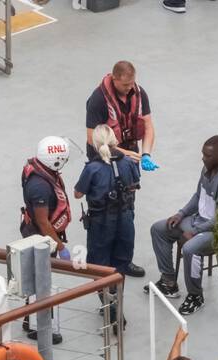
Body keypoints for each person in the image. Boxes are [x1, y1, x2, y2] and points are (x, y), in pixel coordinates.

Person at [147, 136, 218, 314]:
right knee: (158, 229)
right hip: (197, 220)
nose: (203, 158)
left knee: (190, 249)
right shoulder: (207, 168)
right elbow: (198, 197)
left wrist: (195, 231)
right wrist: (181, 213)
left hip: (215, 230)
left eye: (207, 156)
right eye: (203, 154)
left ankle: (196, 296)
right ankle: (168, 282)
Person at [85, 61, 156, 277]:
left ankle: (124, 261)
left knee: (127, 211)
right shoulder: (97, 100)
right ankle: (101, 268)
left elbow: (148, 126)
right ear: (114, 79)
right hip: (104, 162)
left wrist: (145, 154)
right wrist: (123, 154)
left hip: (129, 160)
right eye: (125, 85)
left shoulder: (138, 93)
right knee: (103, 216)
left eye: (132, 84)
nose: (129, 89)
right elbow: (92, 138)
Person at [73, 124, 140, 331]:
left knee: (99, 266)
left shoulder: (92, 168)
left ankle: (109, 305)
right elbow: (135, 184)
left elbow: (77, 193)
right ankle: (117, 304)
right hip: (125, 220)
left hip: (101, 223)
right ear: (115, 140)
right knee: (120, 265)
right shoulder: (128, 163)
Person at [20, 135, 73, 345]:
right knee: (41, 280)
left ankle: (28, 318)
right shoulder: (40, 187)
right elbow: (43, 222)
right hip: (39, 238)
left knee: (35, 277)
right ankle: (38, 326)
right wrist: (60, 247)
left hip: (38, 233)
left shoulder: (40, 171)